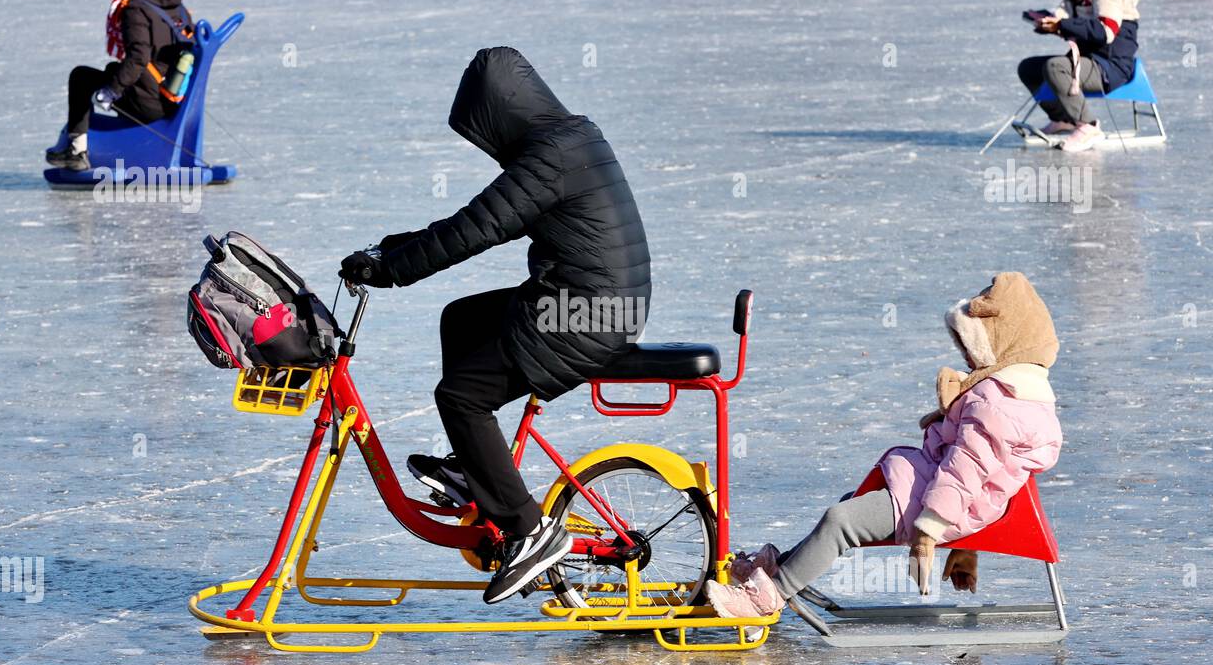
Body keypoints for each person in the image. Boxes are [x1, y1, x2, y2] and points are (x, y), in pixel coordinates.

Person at [338, 48, 652, 605]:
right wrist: (394, 247)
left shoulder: (549, 159)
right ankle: (474, 466)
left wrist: (391, 270)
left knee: (460, 397)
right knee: (461, 319)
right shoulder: (569, 138)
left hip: (587, 314)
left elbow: (475, 228)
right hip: (598, 301)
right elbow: (473, 221)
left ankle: (529, 530)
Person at [706, 273, 1064, 619]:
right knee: (850, 505)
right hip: (936, 488)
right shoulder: (1014, 397)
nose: (967, 358)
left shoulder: (999, 402)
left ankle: (768, 598)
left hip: (937, 506)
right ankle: (781, 568)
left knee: (841, 521)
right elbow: (985, 475)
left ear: (1003, 345)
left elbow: (968, 470)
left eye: (971, 347)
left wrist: (930, 532)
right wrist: (965, 548)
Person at [45, 0, 193, 172]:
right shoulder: (174, 3)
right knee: (112, 69)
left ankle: (76, 150)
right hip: (173, 98)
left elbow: (138, 58)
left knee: (81, 77)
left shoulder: (135, 7)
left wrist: (112, 90)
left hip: (150, 103)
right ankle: (79, 144)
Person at [1016, 0, 1141, 152]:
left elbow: (1105, 32)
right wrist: (1050, 21)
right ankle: (1064, 118)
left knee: (1055, 67)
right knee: (1028, 68)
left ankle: (1089, 126)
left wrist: (1062, 26)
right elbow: (1066, 13)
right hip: (1086, 61)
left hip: (1110, 66)